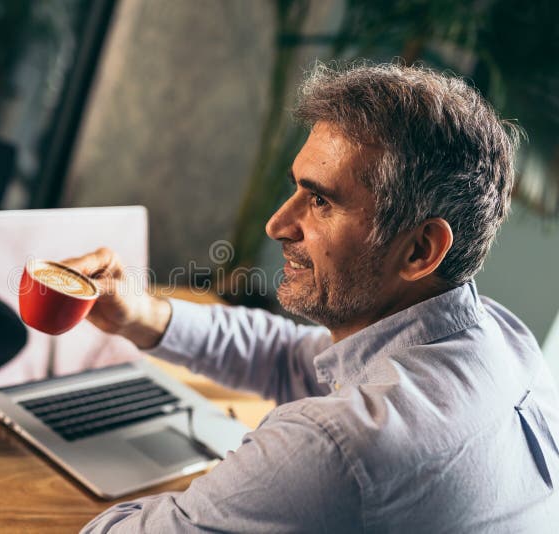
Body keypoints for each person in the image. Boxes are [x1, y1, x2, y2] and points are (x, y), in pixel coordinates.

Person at [67, 63, 559, 532]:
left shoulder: (337, 449)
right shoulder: (499, 335)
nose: (278, 225)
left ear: (420, 249)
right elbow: (291, 357)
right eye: (296, 190)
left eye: (321, 200)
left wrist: (245, 491)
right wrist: (144, 315)